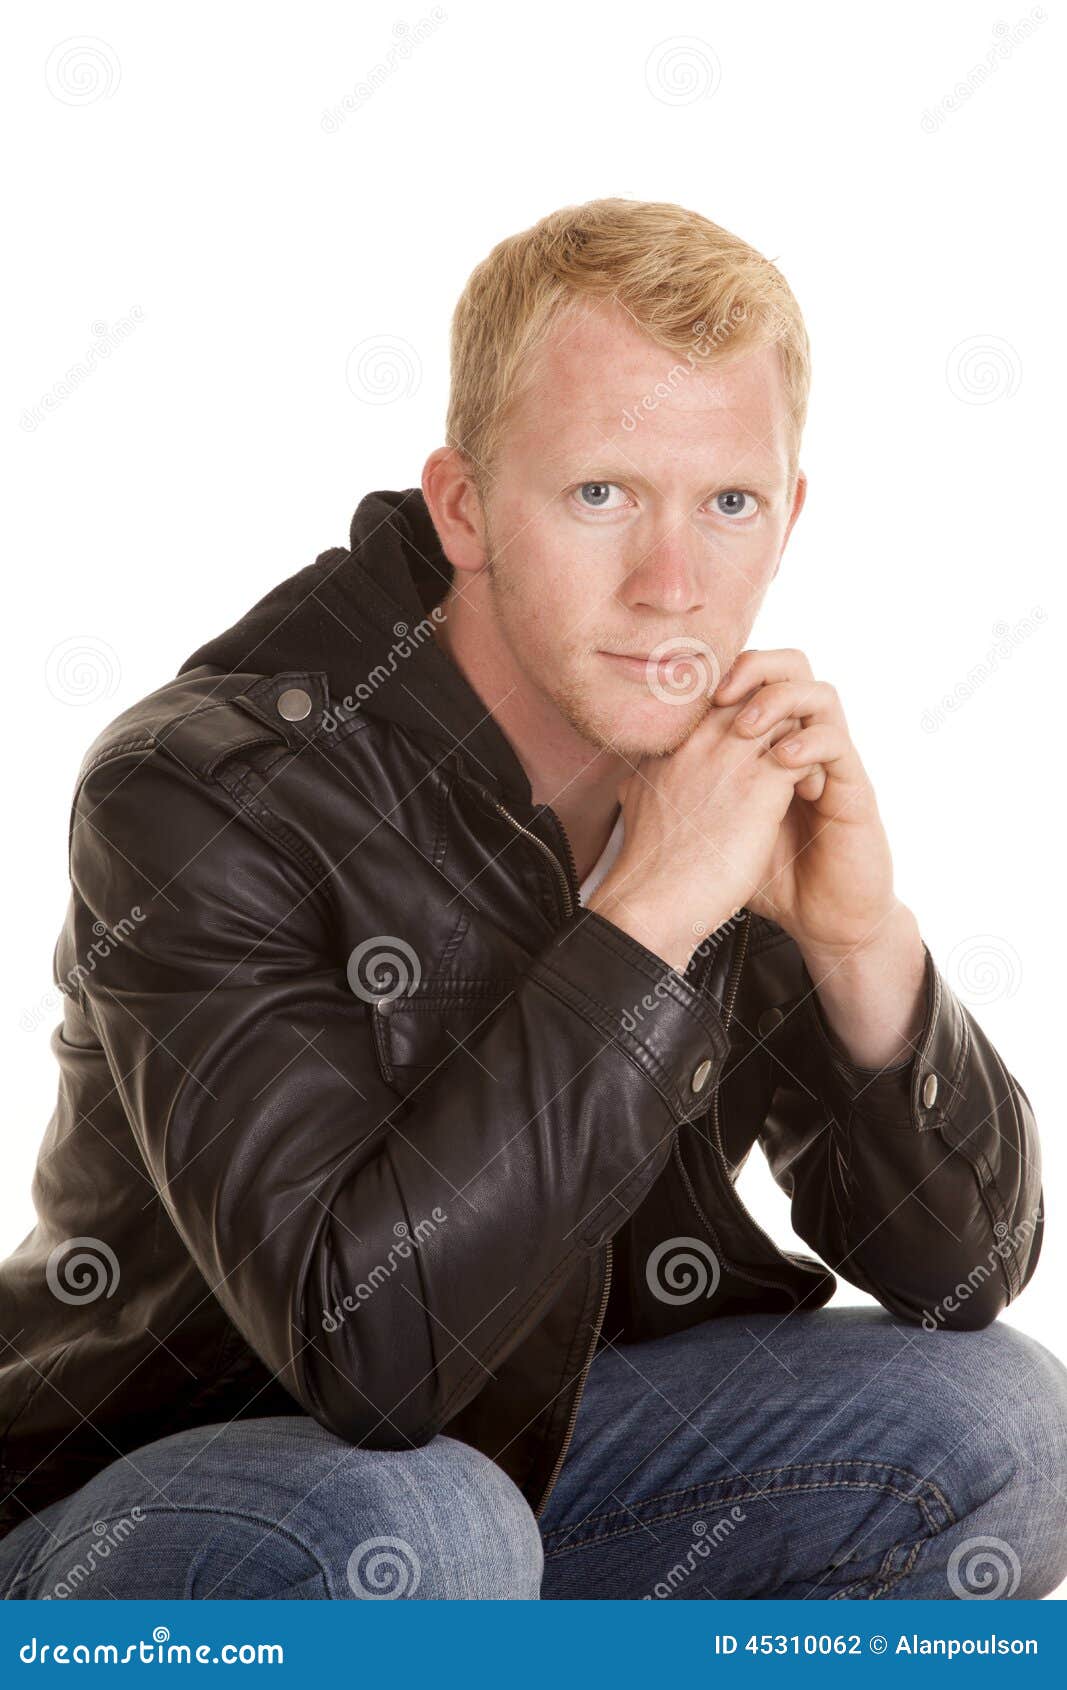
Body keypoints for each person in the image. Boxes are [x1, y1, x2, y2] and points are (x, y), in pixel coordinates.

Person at [1, 199, 1063, 1602]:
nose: (673, 587)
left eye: (729, 504)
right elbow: (368, 1356)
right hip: (159, 1503)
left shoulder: (715, 772)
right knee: (423, 1528)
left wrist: (860, 943)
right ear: (464, 508)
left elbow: (958, 1275)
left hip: (526, 1469)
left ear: (790, 516)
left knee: (1008, 1431)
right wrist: (647, 918)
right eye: (601, 495)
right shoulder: (202, 789)